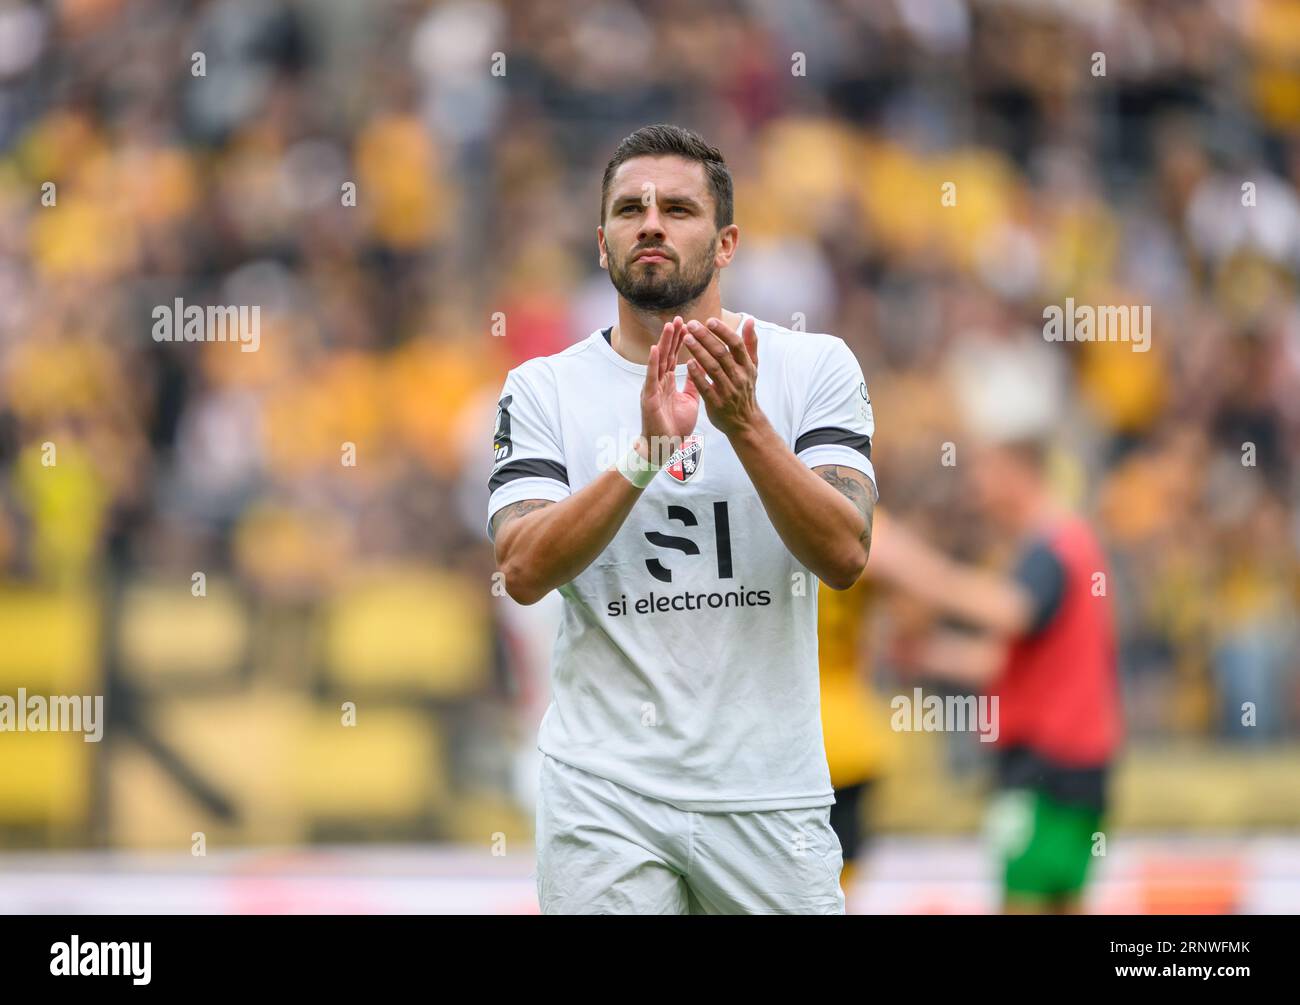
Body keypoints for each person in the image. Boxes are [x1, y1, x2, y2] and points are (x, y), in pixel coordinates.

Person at [487, 124, 878, 914]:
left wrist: (746, 426)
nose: (652, 223)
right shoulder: (541, 390)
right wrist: (643, 455)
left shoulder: (814, 368)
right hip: (607, 792)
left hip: (768, 788)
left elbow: (844, 552)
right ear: (603, 244)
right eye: (630, 209)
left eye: (678, 208)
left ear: (726, 241)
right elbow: (521, 569)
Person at [869, 438, 1122, 914]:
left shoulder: (1053, 547)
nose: (978, 491)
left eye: (986, 475)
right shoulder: (1072, 545)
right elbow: (1009, 659)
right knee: (1064, 900)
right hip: (1082, 763)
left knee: (1023, 899)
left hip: (1044, 765)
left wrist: (908, 563)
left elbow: (1011, 611)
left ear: (1019, 474)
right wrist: (930, 656)